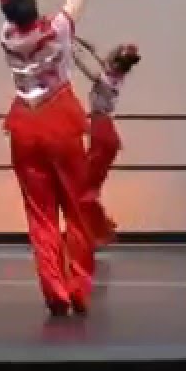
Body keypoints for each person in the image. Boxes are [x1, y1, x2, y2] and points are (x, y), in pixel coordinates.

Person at [0, 0, 111, 316]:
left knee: (40, 213)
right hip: (59, 121)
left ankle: (54, 292)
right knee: (76, 207)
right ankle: (78, 286)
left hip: (24, 126)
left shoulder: (6, 36)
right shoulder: (59, 30)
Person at [70, 36, 141, 246]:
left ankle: (95, 232)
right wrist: (79, 40)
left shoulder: (106, 79)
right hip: (104, 131)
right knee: (88, 185)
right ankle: (94, 231)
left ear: (116, 62)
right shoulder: (115, 75)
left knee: (86, 185)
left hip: (102, 131)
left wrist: (72, 54)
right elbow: (99, 54)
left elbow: (89, 71)